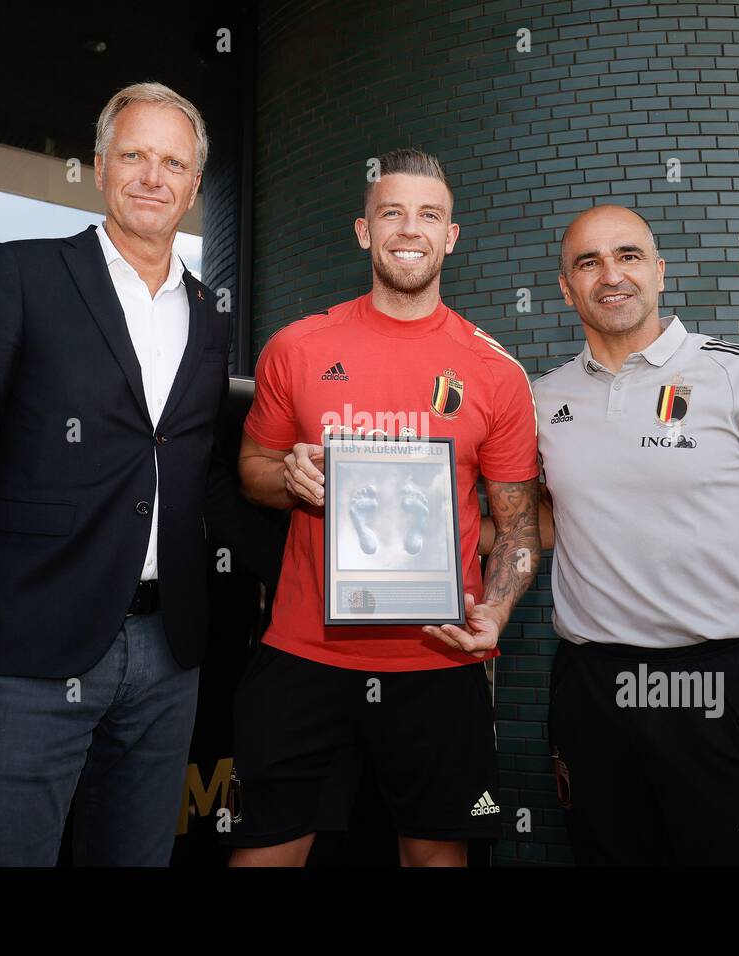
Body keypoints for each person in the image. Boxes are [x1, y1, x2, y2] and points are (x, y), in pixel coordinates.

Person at [0, 82, 240, 866]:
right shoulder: (17, 274)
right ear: (98, 167)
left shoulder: (208, 311)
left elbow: (193, 470)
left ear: (194, 186)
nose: (153, 177)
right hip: (25, 658)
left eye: (173, 162)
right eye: (134, 155)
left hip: (168, 656)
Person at [505, 204, 739, 865]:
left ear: (659, 273)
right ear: (566, 286)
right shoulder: (541, 401)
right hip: (589, 691)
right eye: (589, 261)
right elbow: (545, 525)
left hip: (718, 687)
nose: (611, 274)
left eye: (628, 256)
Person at [230, 148, 541, 866]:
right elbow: (252, 472)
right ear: (364, 232)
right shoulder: (297, 348)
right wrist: (291, 475)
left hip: (437, 659)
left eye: (429, 215)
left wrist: (494, 610)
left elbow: (521, 529)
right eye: (392, 213)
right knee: (263, 855)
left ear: (452, 236)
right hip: (303, 653)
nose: (410, 229)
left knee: (436, 858)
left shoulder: (494, 370)